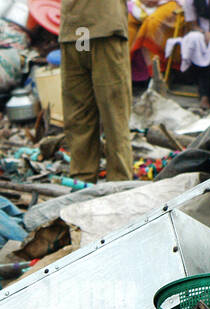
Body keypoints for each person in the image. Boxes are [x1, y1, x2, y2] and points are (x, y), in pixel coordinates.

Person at [61, 0, 135, 179]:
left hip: (92, 31)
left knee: (107, 114)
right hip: (84, 33)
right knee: (96, 113)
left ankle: (116, 183)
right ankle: (90, 179)